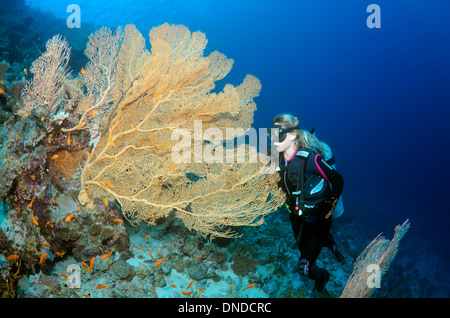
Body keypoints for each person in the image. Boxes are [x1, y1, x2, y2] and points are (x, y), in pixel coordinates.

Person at [271, 113, 345, 294]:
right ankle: (327, 241)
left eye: (279, 132)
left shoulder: (312, 159)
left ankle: (323, 277)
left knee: (304, 266)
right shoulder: (276, 159)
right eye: (271, 133)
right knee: (303, 248)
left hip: (318, 216)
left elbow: (337, 180)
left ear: (294, 135)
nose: (274, 138)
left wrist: (330, 203)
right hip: (295, 214)